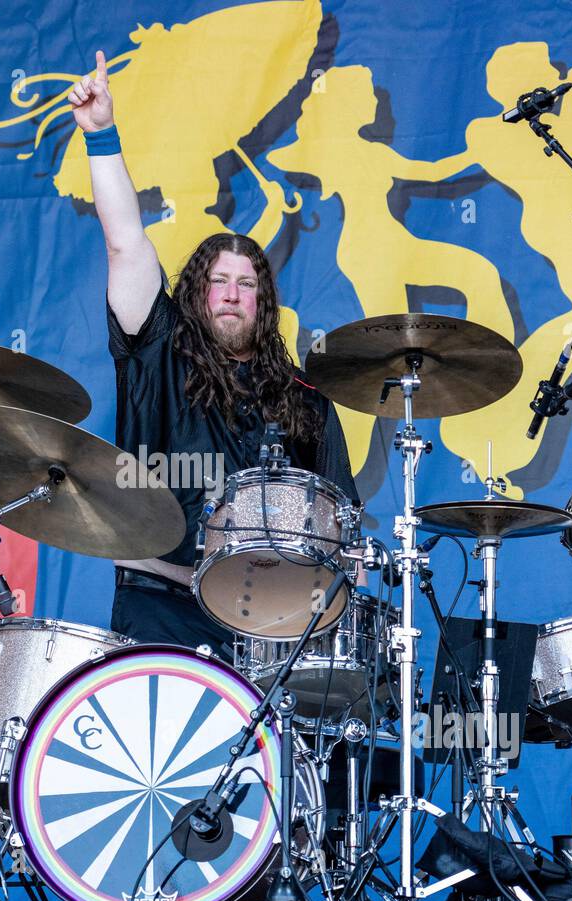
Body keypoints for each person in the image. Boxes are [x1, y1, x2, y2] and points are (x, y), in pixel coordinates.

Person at [68, 51, 358, 655]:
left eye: (246, 284)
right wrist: (101, 137)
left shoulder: (306, 401)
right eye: (218, 282)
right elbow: (125, 245)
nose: (231, 295)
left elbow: (342, 529)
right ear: (196, 293)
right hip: (163, 604)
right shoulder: (160, 351)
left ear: (263, 301)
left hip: (273, 625)